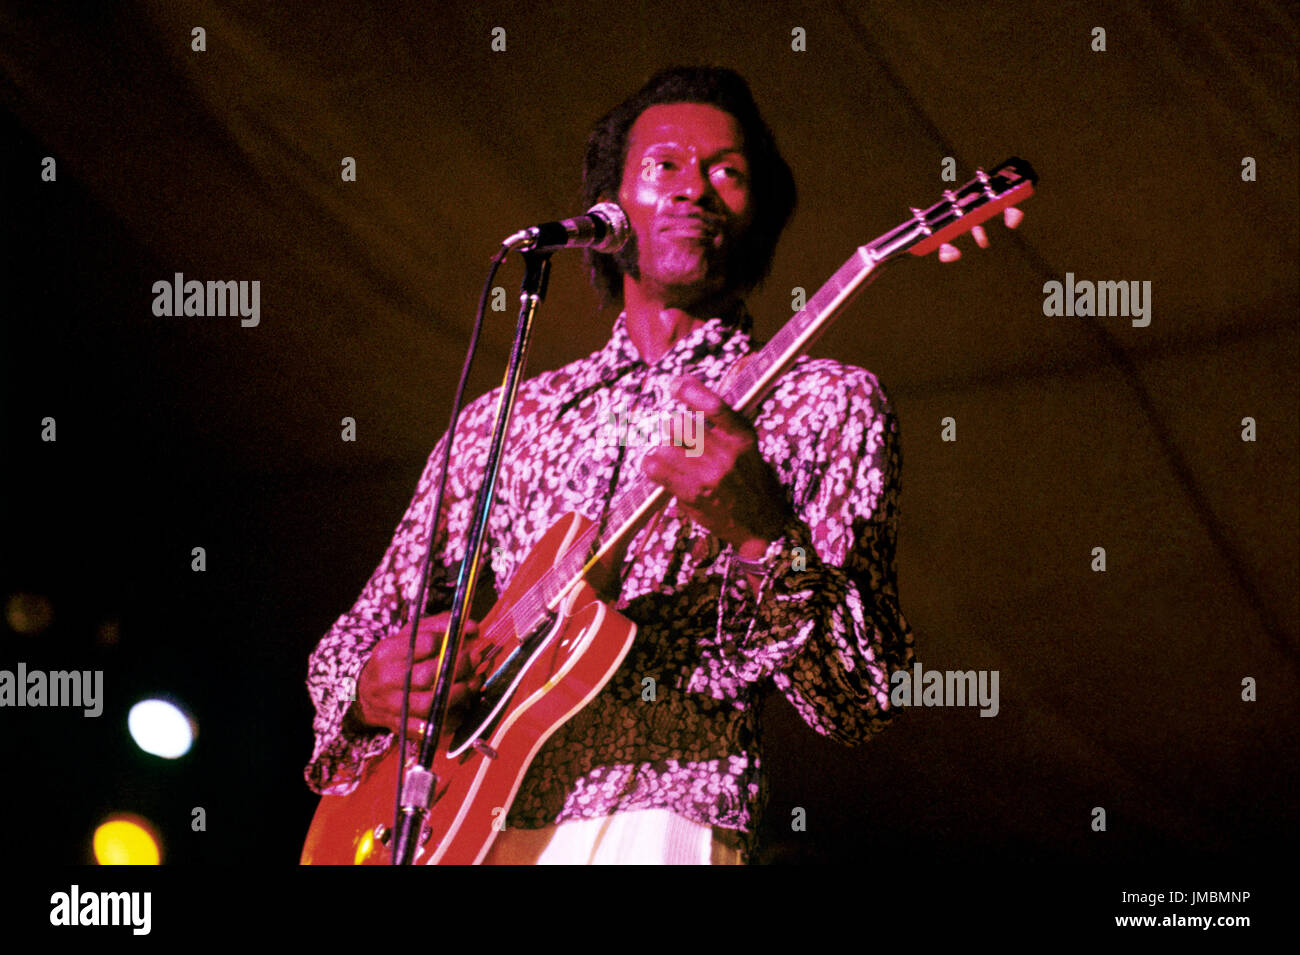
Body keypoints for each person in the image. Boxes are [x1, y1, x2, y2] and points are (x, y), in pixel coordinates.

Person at [305, 66, 917, 864]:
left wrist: (766, 536)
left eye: (727, 171)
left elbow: (864, 695)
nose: (695, 188)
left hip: (661, 815)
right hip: (458, 819)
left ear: (757, 212)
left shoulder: (821, 403)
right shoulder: (507, 418)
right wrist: (368, 690)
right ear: (609, 207)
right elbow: (358, 632)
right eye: (665, 166)